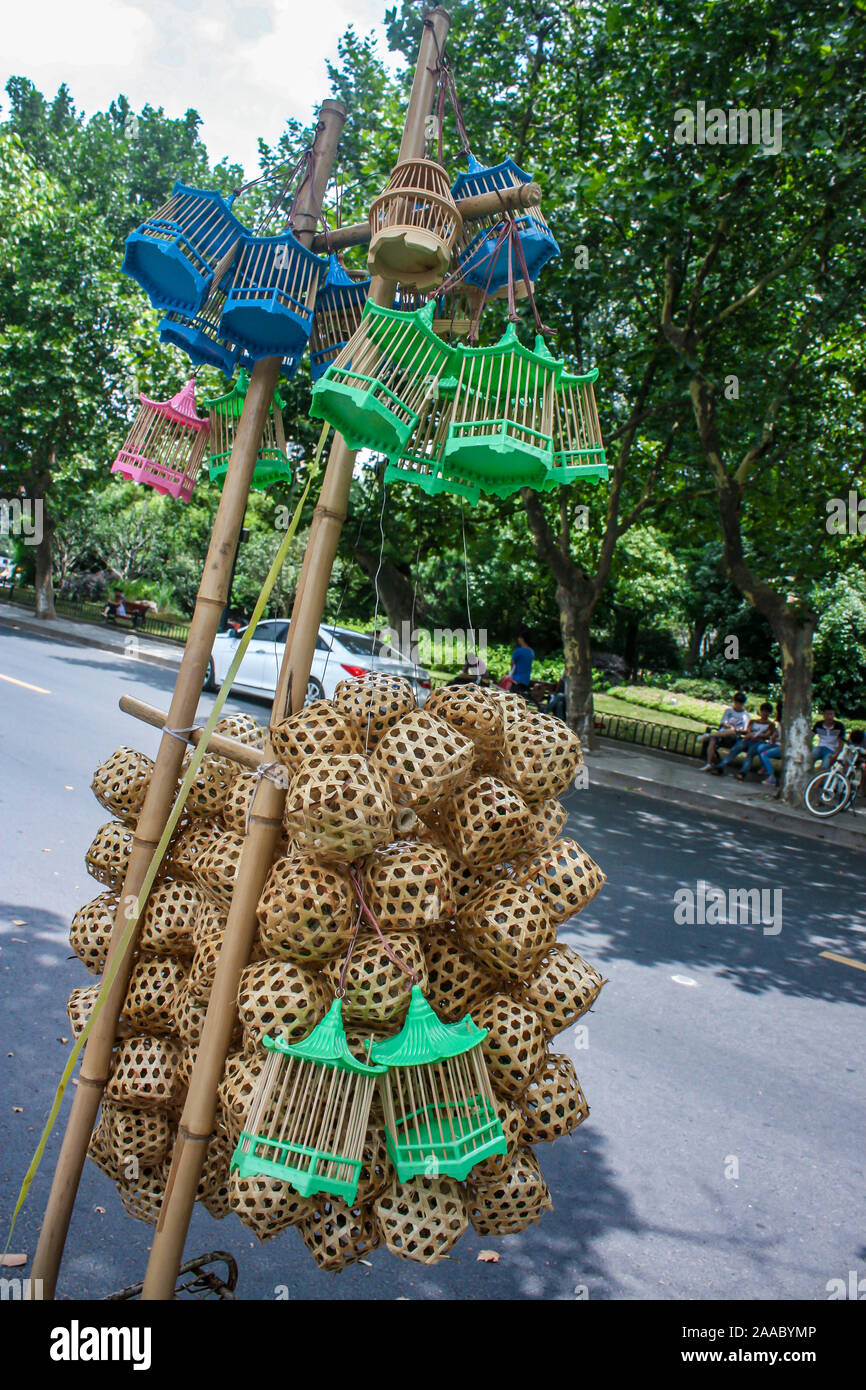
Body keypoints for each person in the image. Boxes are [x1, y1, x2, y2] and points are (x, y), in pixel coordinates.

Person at [716, 702, 776, 776]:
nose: (765, 713)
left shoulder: (770, 724)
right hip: (748, 738)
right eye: (763, 711)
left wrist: (756, 735)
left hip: (759, 741)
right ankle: (720, 766)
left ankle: (743, 772)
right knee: (735, 749)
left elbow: (767, 735)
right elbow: (748, 730)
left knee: (750, 753)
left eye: (767, 712)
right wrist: (750, 734)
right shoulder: (753, 721)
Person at [699, 692, 750, 770]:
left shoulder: (745, 715)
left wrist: (735, 729)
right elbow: (723, 722)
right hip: (722, 733)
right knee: (713, 740)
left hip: (734, 736)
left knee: (732, 731)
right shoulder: (728, 711)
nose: (738, 705)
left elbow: (746, 729)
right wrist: (729, 726)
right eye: (737, 703)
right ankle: (709, 763)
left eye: (740, 703)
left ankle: (708, 735)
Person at [510, 631, 534, 697]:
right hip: (526, 680)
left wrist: (511, 675)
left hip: (517, 679)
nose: (518, 639)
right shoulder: (531, 652)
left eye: (519, 638)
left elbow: (512, 663)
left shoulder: (518, 651)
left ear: (522, 639)